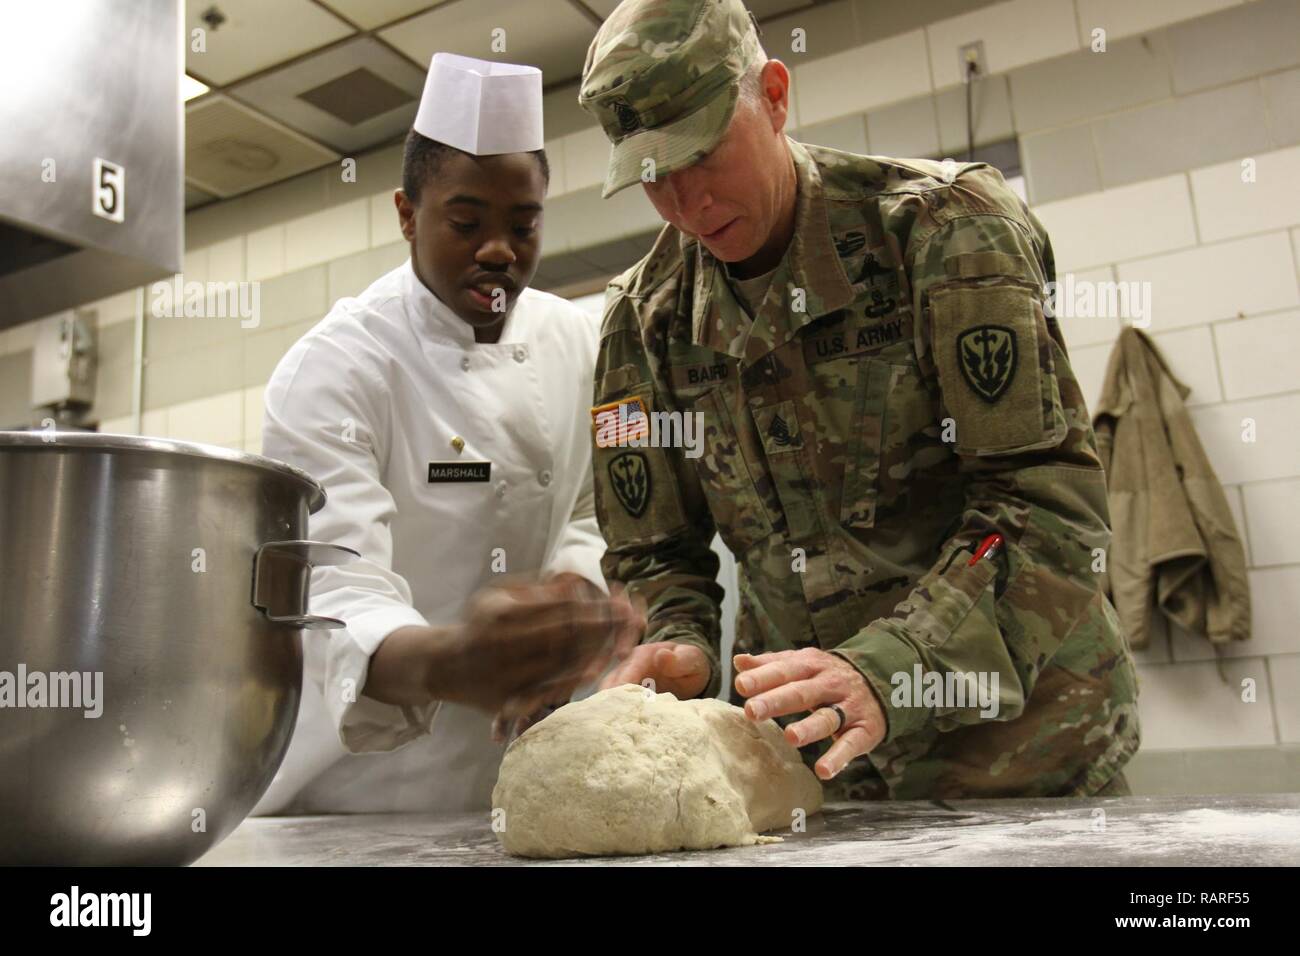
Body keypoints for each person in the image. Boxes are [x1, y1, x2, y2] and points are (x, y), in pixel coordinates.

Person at [579, 0, 1140, 800]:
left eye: (702, 153)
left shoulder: (945, 233)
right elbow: (655, 554)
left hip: (1021, 760)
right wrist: (681, 641)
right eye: (650, 175)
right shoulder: (642, 321)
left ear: (774, 95)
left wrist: (892, 667)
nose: (684, 203)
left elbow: (1042, 505)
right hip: (817, 775)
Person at [253, 53, 637, 814]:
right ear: (406, 214)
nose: (499, 249)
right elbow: (335, 590)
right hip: (353, 799)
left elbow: (593, 512)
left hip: (517, 785)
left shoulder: (579, 340)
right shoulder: (336, 368)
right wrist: (455, 660)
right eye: (467, 223)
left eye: (522, 225)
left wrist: (572, 599)